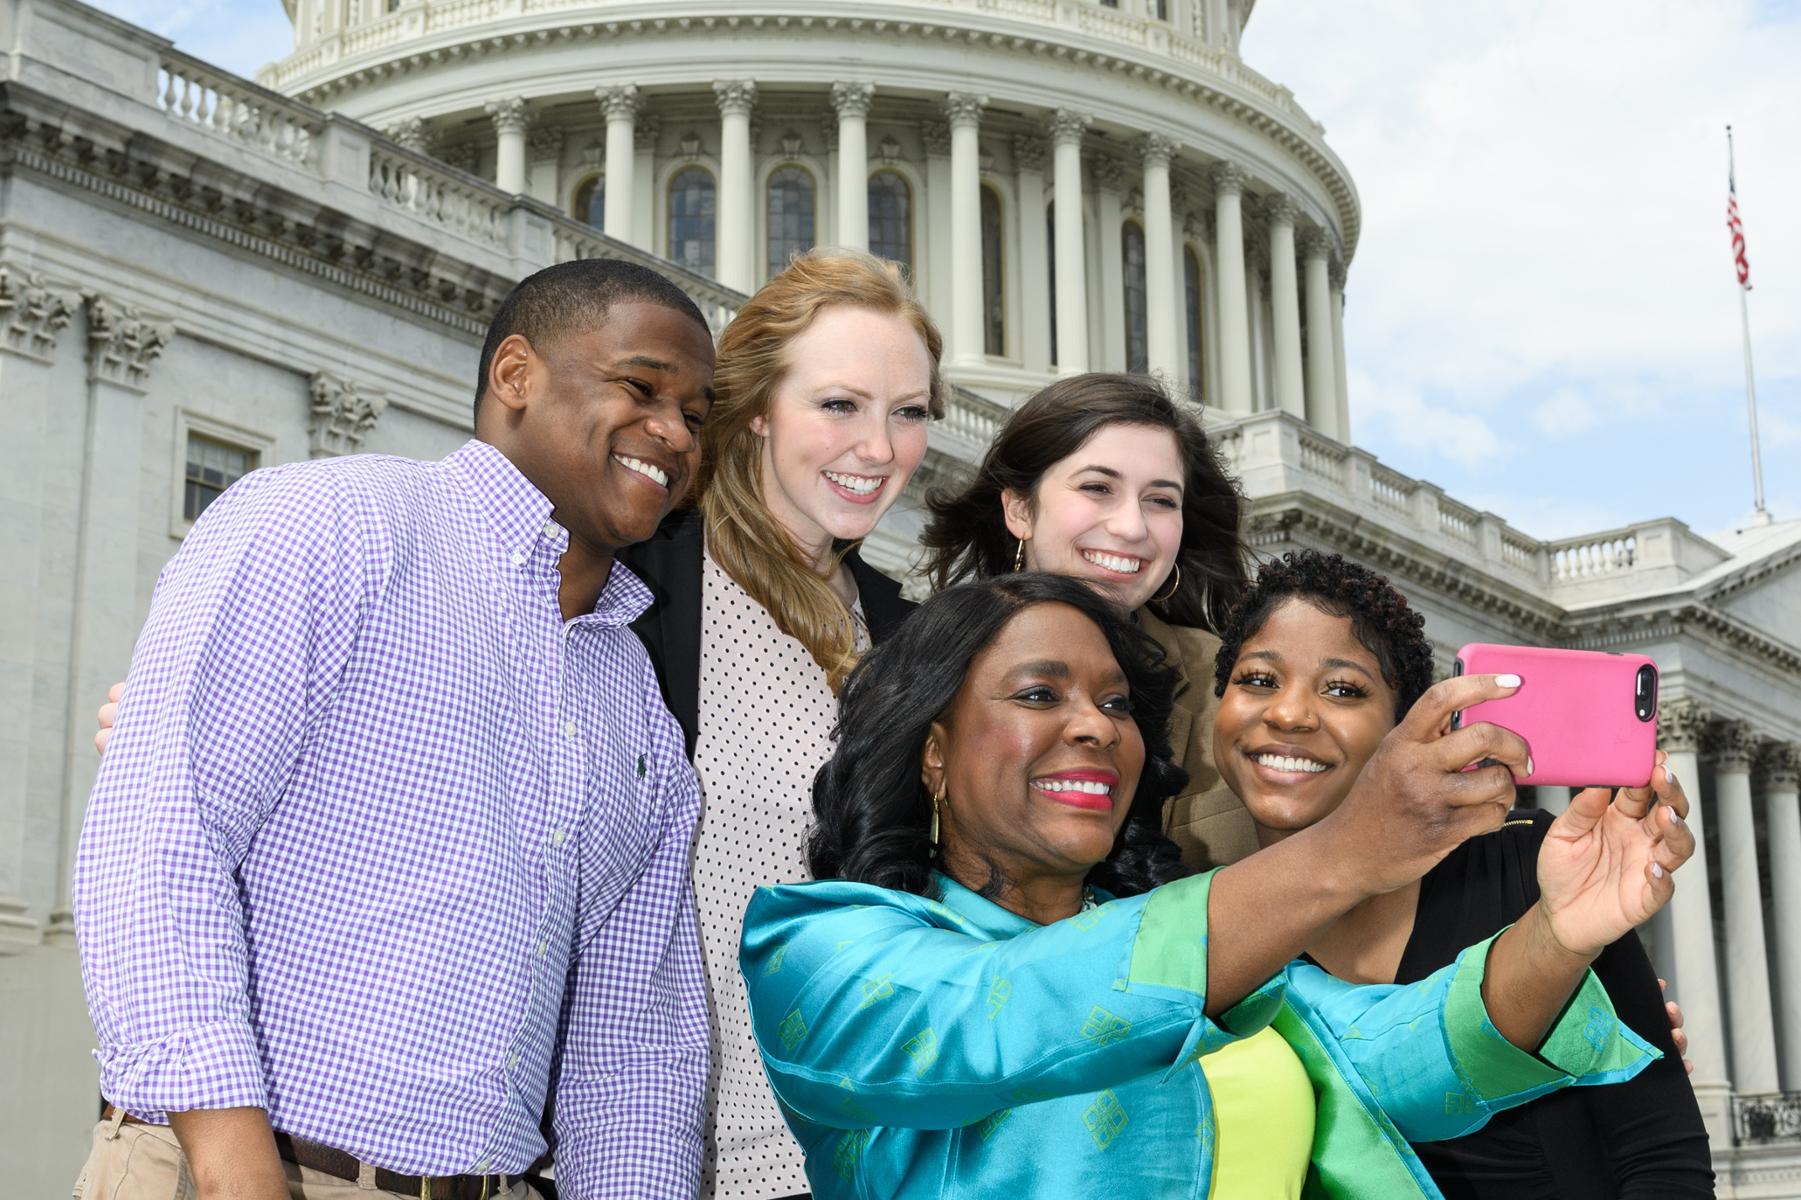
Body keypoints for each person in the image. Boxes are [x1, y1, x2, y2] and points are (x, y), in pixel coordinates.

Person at [88, 248, 942, 1200]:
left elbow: (630, 1037)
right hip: (244, 1163)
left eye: (692, 416)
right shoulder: (333, 523)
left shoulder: (626, 686)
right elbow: (161, 839)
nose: (670, 434)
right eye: (640, 388)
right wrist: (234, 1168)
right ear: (516, 376)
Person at [740, 572, 1695, 1199]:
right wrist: (1347, 849)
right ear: (933, 752)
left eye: (1114, 704)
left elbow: (1406, 1056)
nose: (1093, 728)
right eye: (1039, 695)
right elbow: (1011, 1013)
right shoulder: (817, 949)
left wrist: (1562, 930)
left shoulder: (1204, 954)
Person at [1208, 550, 1713, 1197]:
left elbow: (1662, 1156)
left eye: (1342, 689)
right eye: (1257, 679)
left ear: (1408, 727)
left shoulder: (1532, 863)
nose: (1289, 714)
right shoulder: (1207, 932)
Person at [621, 248, 941, 1199]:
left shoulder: (913, 638)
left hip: (846, 1159)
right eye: (839, 405)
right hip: (640, 1153)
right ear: (755, 408)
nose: (879, 449)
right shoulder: (637, 582)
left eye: (910, 413)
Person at [919, 372, 1257, 869]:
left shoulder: (1232, 688)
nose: (1131, 527)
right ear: (1019, 509)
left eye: (1161, 500)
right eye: (1098, 487)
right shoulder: (925, 668)